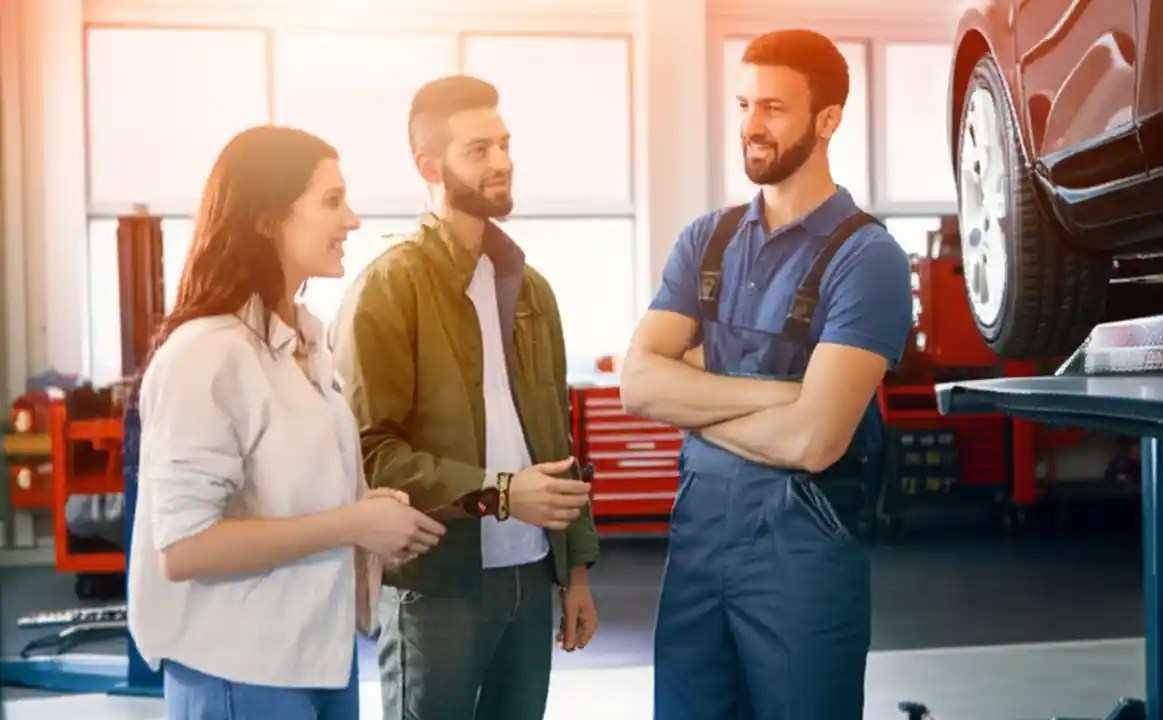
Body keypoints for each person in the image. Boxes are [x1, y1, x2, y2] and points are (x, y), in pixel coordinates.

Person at [620, 29, 914, 719]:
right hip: (697, 546)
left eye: (774, 108)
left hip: (803, 550)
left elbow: (815, 442)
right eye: (744, 103)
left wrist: (691, 398)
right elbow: (637, 384)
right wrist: (784, 396)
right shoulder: (708, 239)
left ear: (828, 120)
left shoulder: (869, 259)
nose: (751, 125)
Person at [127, 125, 447, 720]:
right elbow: (186, 547)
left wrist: (375, 520)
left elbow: (287, 500)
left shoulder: (307, 345)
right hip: (240, 668)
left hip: (318, 658)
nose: (351, 220)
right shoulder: (207, 353)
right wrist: (352, 521)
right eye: (331, 201)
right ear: (267, 218)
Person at [330, 74, 600, 720]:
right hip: (438, 586)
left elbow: (557, 442)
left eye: (504, 144)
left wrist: (576, 570)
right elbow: (370, 453)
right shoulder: (389, 289)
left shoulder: (531, 289)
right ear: (430, 165)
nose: (502, 162)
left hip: (532, 578)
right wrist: (501, 493)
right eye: (478, 150)